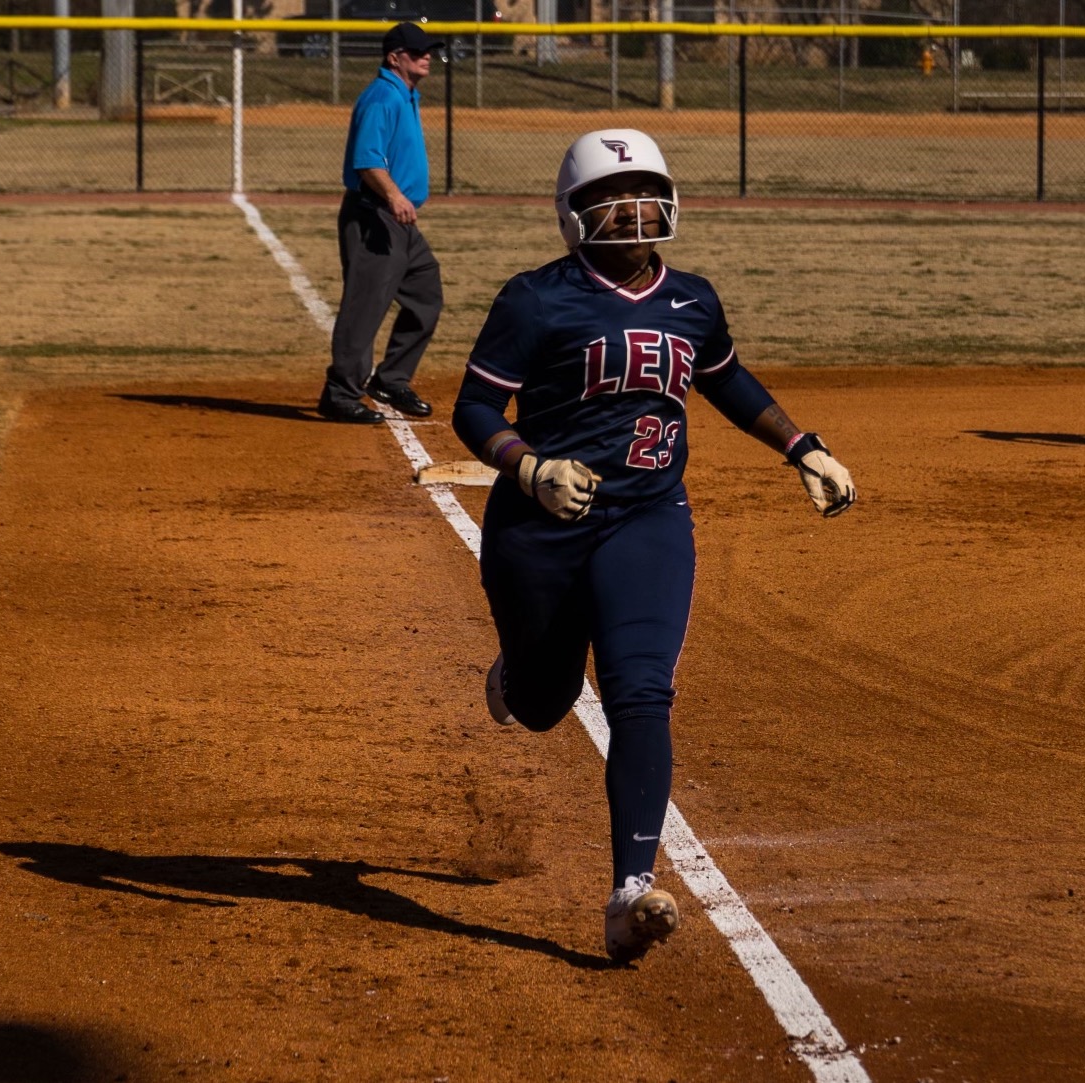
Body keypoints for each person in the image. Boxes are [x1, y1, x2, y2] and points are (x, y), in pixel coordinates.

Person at [450, 129, 857, 964]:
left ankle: (630, 889)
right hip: (540, 530)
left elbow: (727, 380)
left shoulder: (693, 300)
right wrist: (528, 470)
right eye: (612, 192)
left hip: (648, 518)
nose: (633, 207)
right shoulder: (534, 299)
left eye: (644, 188)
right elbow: (475, 411)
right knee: (543, 701)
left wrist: (802, 446)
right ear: (575, 213)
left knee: (642, 687)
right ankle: (518, 671)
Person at [317, 22, 442, 424]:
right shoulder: (382, 97)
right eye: (417, 51)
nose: (426, 56)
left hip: (398, 220)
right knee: (365, 307)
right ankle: (340, 393)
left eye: (428, 51)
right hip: (375, 215)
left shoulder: (405, 95)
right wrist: (393, 195)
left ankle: (390, 379)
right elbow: (367, 159)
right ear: (394, 57)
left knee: (426, 293)